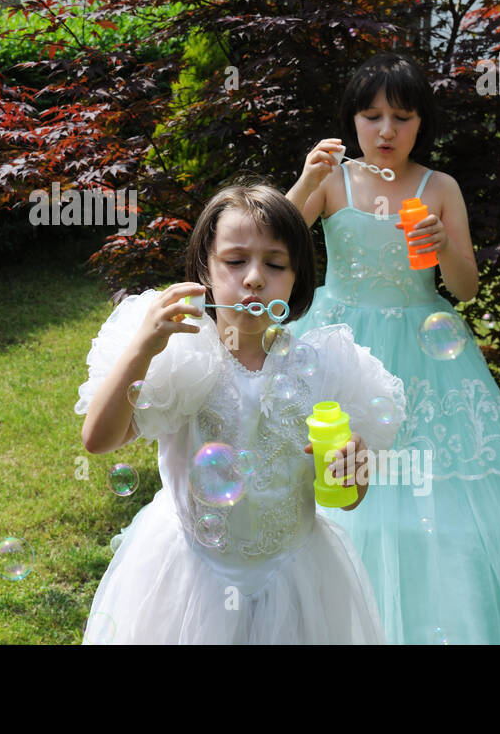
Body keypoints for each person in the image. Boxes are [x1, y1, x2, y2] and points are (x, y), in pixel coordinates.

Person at [284, 51, 500, 643]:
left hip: (425, 351)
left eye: (401, 116)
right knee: (327, 463)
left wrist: (444, 241)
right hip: (340, 340)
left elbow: (465, 288)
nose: (386, 130)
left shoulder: (438, 186)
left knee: (434, 481)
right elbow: (279, 241)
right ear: (351, 121)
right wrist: (304, 180)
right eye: (371, 116)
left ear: (421, 122)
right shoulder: (334, 181)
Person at [77, 182, 407, 643]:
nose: (253, 278)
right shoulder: (180, 354)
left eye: (275, 264)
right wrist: (143, 350)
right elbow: (99, 438)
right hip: (193, 576)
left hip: (296, 573)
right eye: (235, 261)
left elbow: (348, 495)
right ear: (205, 269)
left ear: (297, 279)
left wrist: (352, 474)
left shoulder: (325, 368)